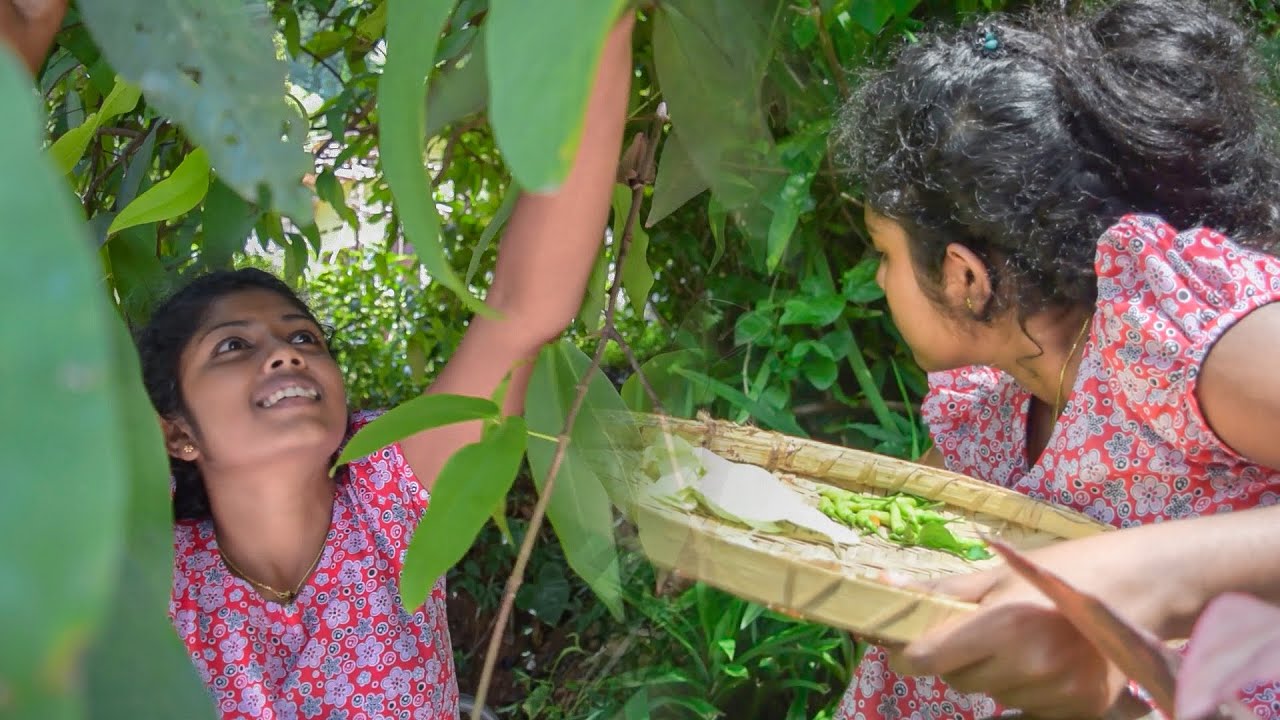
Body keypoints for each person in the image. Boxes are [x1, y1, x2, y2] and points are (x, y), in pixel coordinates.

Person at [135, 15, 634, 719]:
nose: (285, 352)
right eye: (232, 347)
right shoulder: (145, 578)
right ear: (176, 432)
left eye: (304, 339)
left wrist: (601, 26)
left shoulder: (386, 501)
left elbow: (525, 311)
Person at [829, 1, 1280, 718]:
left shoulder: (1176, 338)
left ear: (964, 277)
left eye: (883, 251)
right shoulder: (995, 405)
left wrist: (1155, 577)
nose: (879, 280)